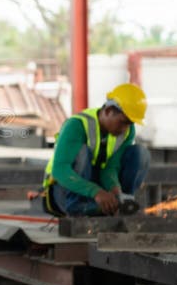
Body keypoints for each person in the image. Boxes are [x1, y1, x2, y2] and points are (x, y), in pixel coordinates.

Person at [42, 83, 150, 217]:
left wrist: (115, 190)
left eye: (130, 124)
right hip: (63, 190)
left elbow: (110, 168)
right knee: (82, 152)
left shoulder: (127, 132)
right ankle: (77, 207)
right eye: (123, 122)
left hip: (95, 189)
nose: (125, 129)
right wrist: (96, 192)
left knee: (140, 153)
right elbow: (60, 171)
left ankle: (123, 204)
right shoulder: (76, 125)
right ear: (108, 111)